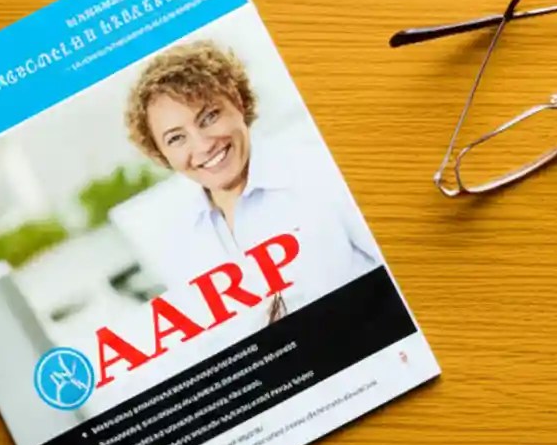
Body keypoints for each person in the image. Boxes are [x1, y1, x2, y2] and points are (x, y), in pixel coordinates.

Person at [124, 39, 378, 324]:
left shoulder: (321, 171)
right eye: (176, 138)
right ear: (161, 154)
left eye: (209, 117)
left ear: (237, 101)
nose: (203, 146)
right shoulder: (179, 241)